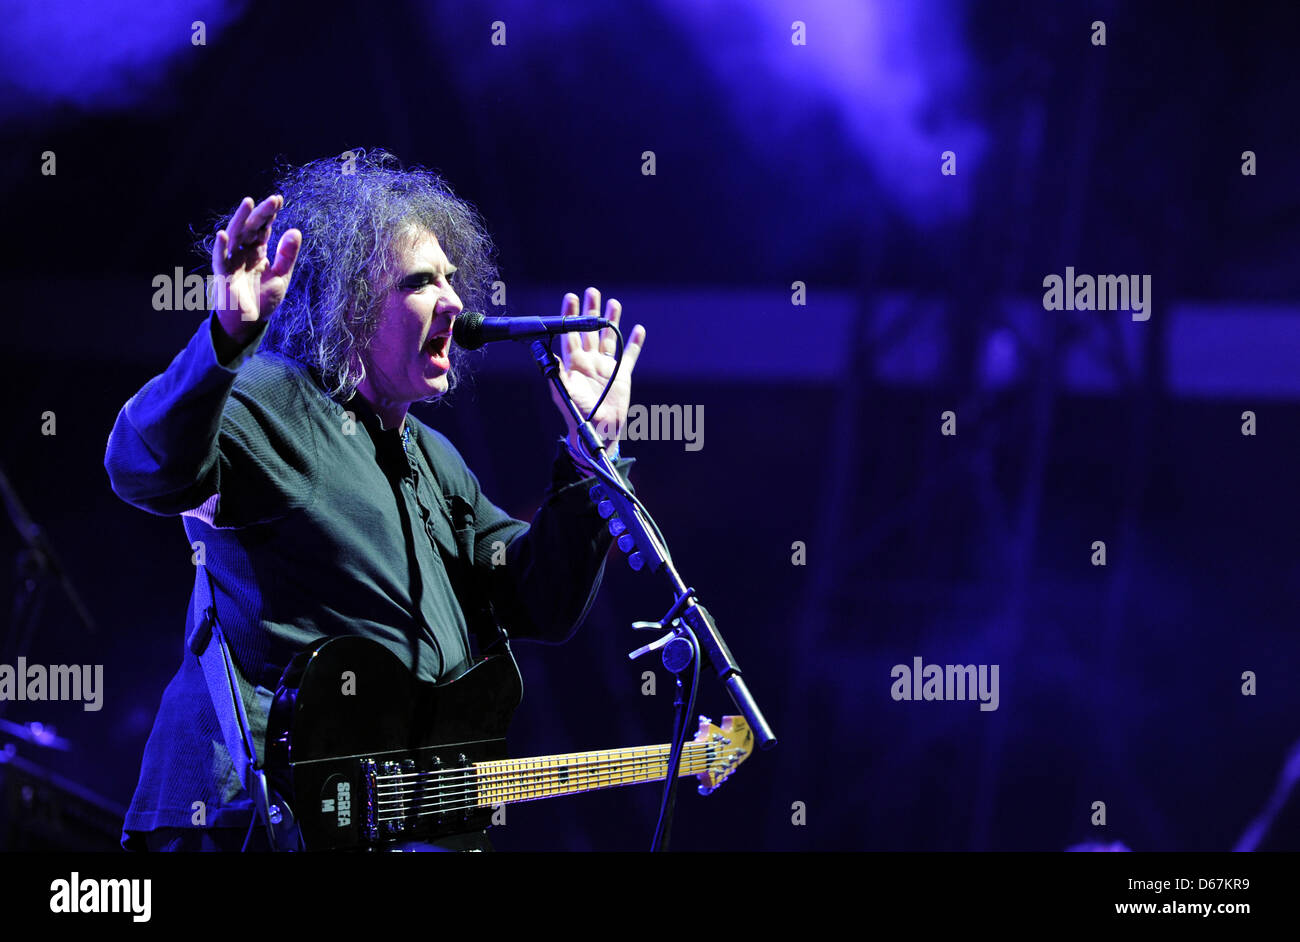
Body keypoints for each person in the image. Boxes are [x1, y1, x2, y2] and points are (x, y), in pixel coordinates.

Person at [105, 150, 646, 851]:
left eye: (453, 279)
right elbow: (142, 465)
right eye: (421, 282)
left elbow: (539, 601)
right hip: (251, 819)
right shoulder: (275, 397)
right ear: (348, 303)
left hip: (384, 829)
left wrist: (587, 455)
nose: (455, 301)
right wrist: (225, 341)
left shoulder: (435, 460)